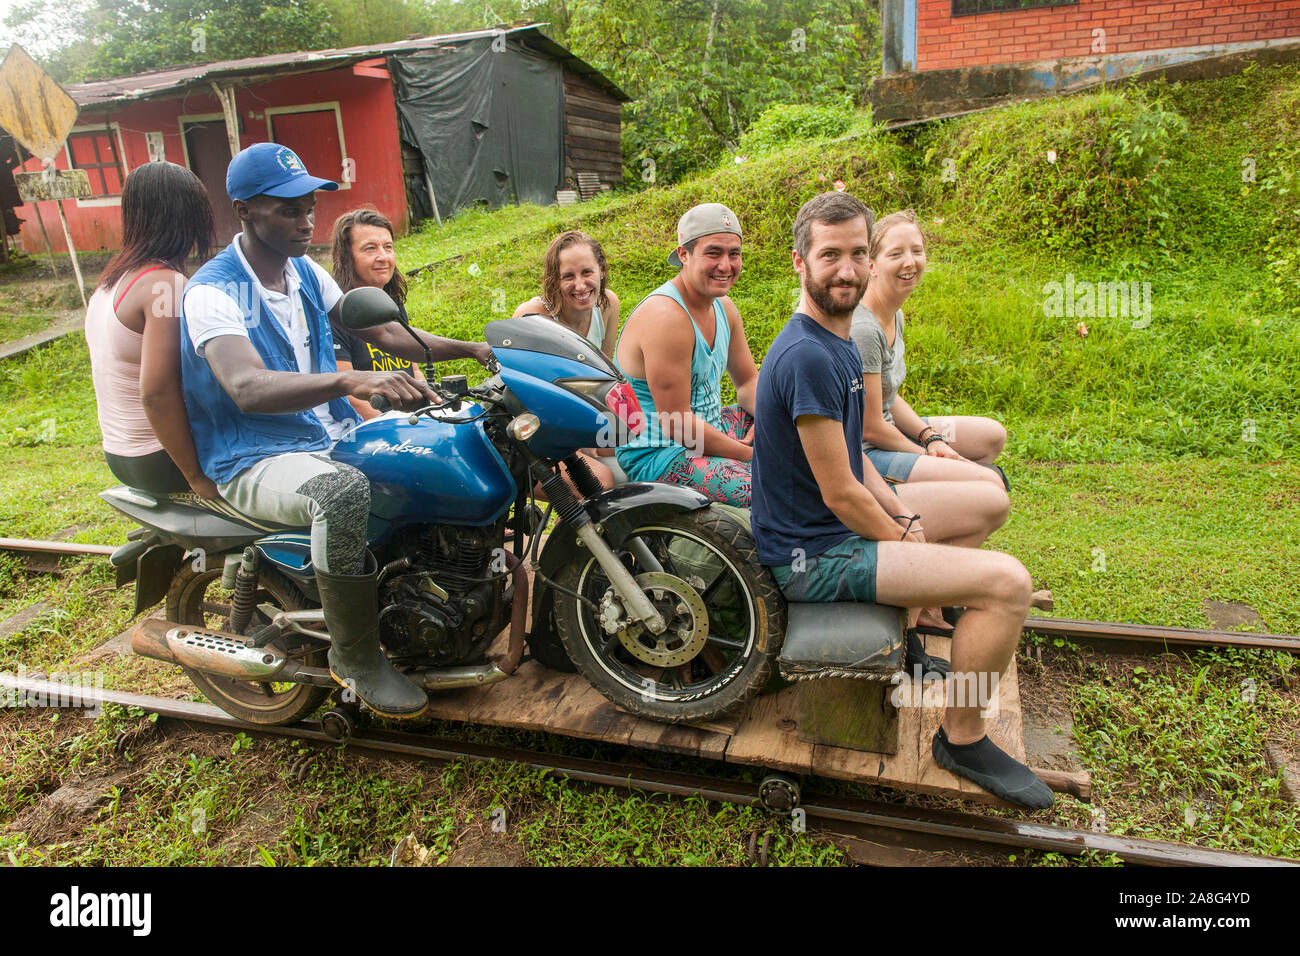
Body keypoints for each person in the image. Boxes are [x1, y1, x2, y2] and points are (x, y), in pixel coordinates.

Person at [750, 191, 1051, 809]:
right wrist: (902, 534)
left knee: (985, 501)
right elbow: (839, 494)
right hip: (816, 554)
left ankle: (924, 632)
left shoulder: (833, 337)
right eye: (830, 254)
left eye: (859, 253)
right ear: (799, 262)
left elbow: (856, 457)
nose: (848, 268)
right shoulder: (810, 354)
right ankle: (962, 739)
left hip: (836, 528)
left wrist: (899, 507)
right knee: (1008, 585)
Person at [180, 143, 442, 720]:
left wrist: (477, 347)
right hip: (253, 454)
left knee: (436, 455)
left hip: (323, 436)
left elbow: (386, 334)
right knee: (341, 494)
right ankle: (355, 658)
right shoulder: (211, 291)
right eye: (288, 210)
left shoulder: (305, 272)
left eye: (309, 207)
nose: (306, 221)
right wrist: (347, 385)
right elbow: (246, 386)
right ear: (245, 210)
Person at [86, 161, 218, 498]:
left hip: (119, 454)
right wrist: (196, 476)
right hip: (162, 458)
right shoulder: (166, 285)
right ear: (188, 216)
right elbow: (156, 393)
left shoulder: (110, 282)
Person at [614, 203, 759, 506]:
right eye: (713, 253)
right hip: (660, 452)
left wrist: (769, 419)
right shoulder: (667, 317)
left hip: (708, 429)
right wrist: (751, 455)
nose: (726, 265)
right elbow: (677, 423)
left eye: (734, 253)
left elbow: (747, 383)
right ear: (683, 254)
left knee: (795, 428)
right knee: (768, 486)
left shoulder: (724, 308)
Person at [852, 210, 1007, 488]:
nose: (909, 262)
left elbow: (888, 396)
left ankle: (948, 501)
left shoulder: (894, 315)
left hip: (890, 429)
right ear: (871, 266)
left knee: (992, 436)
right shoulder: (864, 329)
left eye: (917, 251)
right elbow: (870, 427)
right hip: (866, 452)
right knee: (987, 481)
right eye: (896, 254)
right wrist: (929, 455)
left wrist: (930, 436)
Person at [330, 207, 491, 421]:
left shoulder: (391, 305)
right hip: (373, 428)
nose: (383, 257)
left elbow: (411, 366)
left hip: (411, 417)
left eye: (388, 247)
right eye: (370, 249)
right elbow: (347, 395)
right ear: (345, 257)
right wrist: (395, 427)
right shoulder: (337, 311)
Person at [514, 229, 621, 487]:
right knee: (599, 481)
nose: (580, 285)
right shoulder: (533, 316)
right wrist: (580, 443)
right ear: (554, 280)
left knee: (636, 456)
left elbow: (603, 380)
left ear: (602, 269)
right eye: (568, 277)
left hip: (579, 424)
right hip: (530, 436)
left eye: (587, 272)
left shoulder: (607, 305)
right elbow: (517, 396)